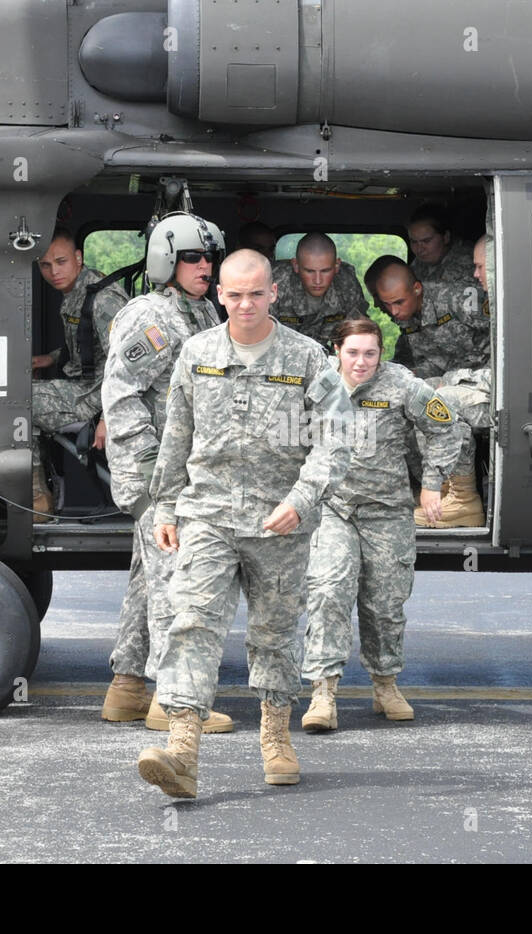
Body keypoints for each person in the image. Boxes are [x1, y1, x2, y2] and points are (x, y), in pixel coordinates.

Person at [136, 249, 352, 799]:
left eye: (256, 293)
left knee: (274, 635)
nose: (245, 304)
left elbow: (340, 437)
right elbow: (176, 434)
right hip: (208, 514)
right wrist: (165, 505)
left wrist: (304, 497)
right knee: (192, 620)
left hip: (279, 523)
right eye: (233, 295)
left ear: (274, 293)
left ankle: (276, 735)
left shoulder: (305, 359)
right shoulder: (196, 352)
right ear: (219, 296)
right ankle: (183, 749)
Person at [99, 211, 235, 733]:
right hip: (157, 474)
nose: (205, 266)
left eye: (209, 257)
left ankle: (128, 690)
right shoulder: (154, 317)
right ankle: (172, 703)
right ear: (167, 261)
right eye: (193, 258)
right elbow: (121, 391)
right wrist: (154, 468)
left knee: (147, 578)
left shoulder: (198, 313)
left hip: (178, 473)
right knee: (177, 580)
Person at [300, 318, 460, 731]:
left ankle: (385, 686)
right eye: (352, 352)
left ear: (381, 353)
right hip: (332, 507)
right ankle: (323, 693)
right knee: (329, 589)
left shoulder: (401, 385)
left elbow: (445, 425)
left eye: (370, 353)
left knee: (385, 601)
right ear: (337, 350)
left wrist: (430, 484)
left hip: (386, 510)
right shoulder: (317, 383)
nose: (361, 362)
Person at [371, 259, 488, 526]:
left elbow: (510, 333)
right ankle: (439, 491)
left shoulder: (458, 299)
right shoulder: (410, 316)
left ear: (416, 289)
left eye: (398, 302)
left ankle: (464, 500)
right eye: (387, 305)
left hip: (493, 380)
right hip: (461, 380)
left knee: (440, 402)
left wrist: (450, 381)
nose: (393, 311)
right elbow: (435, 357)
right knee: (409, 401)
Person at [31, 228, 130, 520]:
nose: (53, 272)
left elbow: (126, 361)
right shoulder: (77, 291)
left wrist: (107, 417)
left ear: (78, 257)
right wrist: (49, 358)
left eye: (61, 262)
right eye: (45, 265)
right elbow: (88, 347)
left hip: (99, 394)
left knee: (19, 403)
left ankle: (38, 499)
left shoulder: (102, 300)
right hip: (86, 385)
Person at [269, 232, 369, 346]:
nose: (317, 280)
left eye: (325, 271)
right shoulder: (275, 282)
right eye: (309, 271)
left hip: (326, 357)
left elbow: (361, 332)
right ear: (296, 265)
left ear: (337, 265)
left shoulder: (346, 284)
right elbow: (255, 333)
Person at [407, 204, 478, 285]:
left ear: (446, 237)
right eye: (414, 242)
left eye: (426, 241)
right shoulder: (419, 263)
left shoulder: (468, 264)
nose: (419, 249)